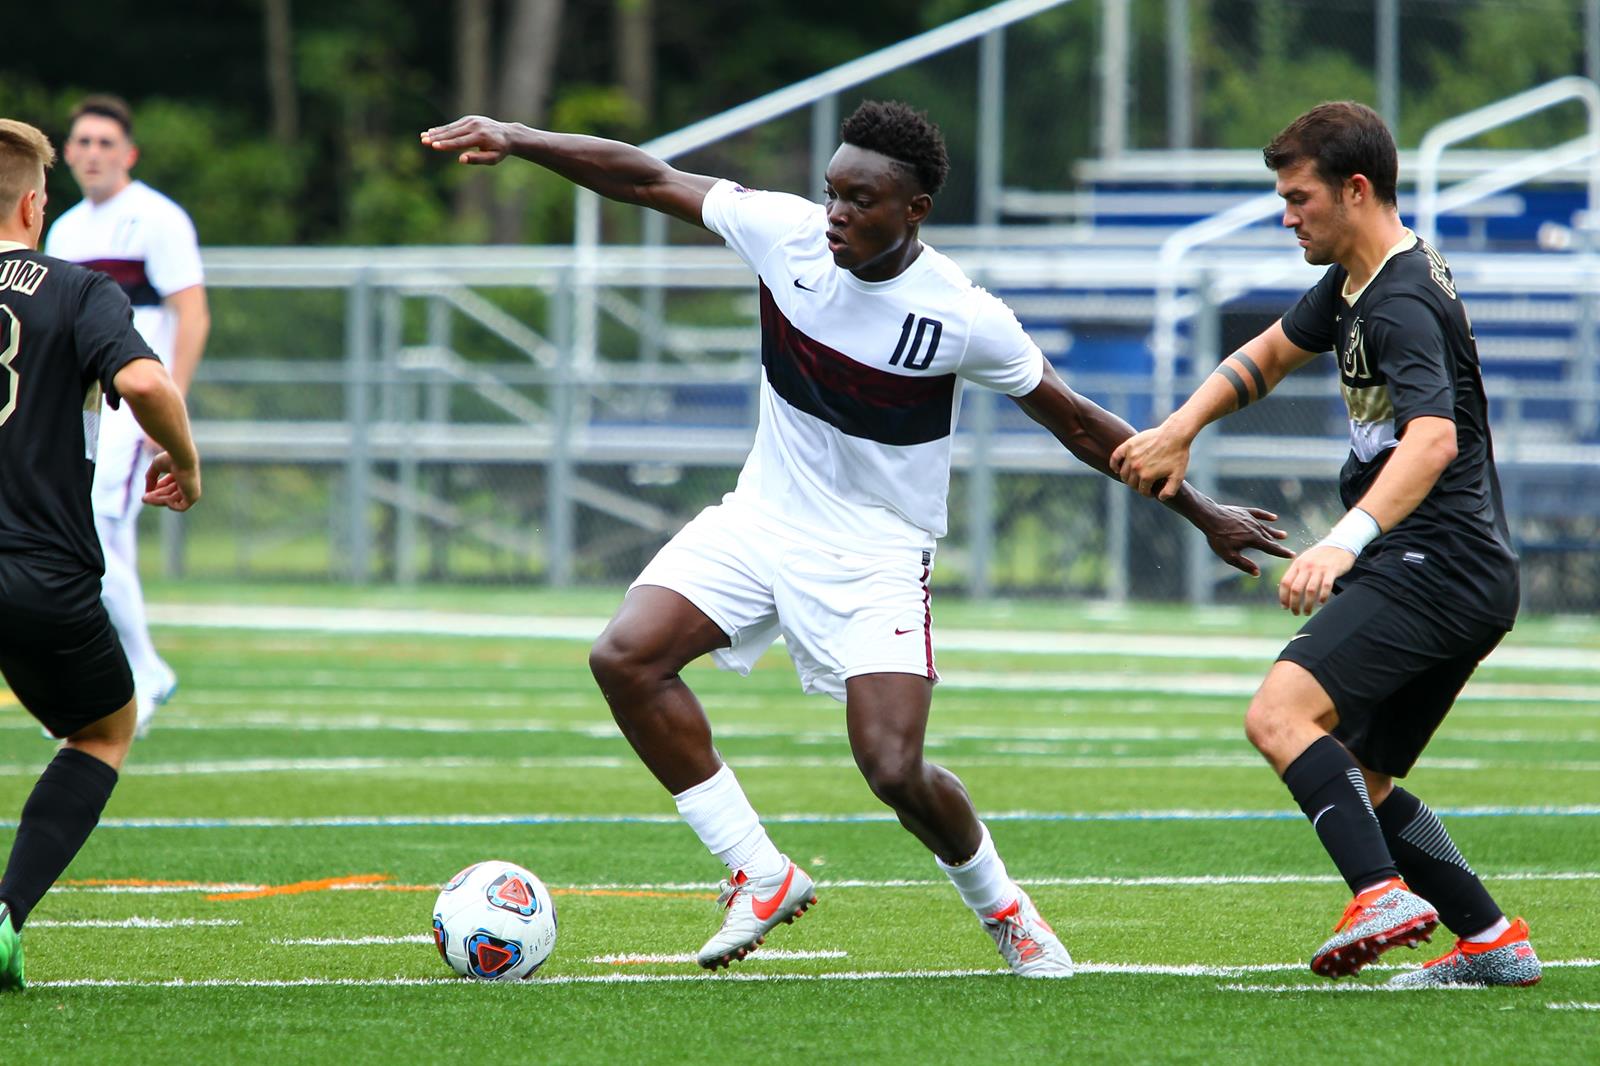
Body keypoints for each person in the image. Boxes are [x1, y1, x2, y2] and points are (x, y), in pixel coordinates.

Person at [423, 100, 1290, 976]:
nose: (835, 213)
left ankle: (1006, 911)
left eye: (860, 200)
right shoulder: (784, 235)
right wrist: (521, 139)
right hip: (761, 517)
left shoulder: (961, 315)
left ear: (913, 209)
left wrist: (1201, 509)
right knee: (625, 659)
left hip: (876, 550)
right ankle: (756, 869)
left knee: (892, 768)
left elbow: (1075, 423)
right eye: (832, 192)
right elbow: (646, 177)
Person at [1111, 101, 1540, 987]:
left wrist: (1343, 543)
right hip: (1462, 571)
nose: (1286, 213)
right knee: (1360, 779)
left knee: (1279, 717)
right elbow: (1266, 355)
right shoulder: (1359, 278)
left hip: (1433, 562)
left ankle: (1379, 893)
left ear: (1354, 189)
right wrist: (1179, 429)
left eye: (1299, 195)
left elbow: (1432, 440)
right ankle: (1492, 938)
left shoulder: (1403, 300)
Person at [0, 118, 201, 990]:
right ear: (37, 202)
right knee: (103, 729)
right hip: (40, 570)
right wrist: (184, 462)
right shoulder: (76, 289)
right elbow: (147, 381)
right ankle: (4, 914)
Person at [44, 94, 210, 736]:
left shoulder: (157, 219)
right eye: (81, 142)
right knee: (91, 536)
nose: (91, 153)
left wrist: (171, 402)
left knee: (102, 535)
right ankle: (136, 671)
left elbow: (190, 313)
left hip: (133, 405)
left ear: (129, 153)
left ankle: (142, 674)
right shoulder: (65, 230)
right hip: (86, 408)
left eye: (104, 143)